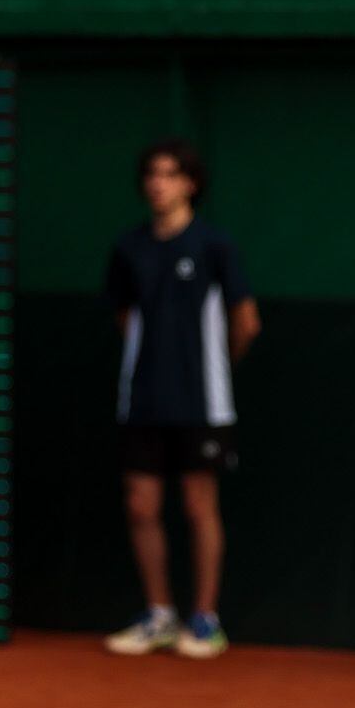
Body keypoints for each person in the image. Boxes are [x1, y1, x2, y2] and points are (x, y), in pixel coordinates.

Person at [103, 139, 260, 660]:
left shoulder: (215, 246)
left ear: (190, 184)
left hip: (202, 403)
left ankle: (205, 619)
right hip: (142, 400)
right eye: (152, 174)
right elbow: (124, 317)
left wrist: (213, 371)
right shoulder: (129, 248)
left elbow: (246, 322)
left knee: (198, 506)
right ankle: (159, 614)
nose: (158, 183)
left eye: (170, 174)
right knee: (140, 505)